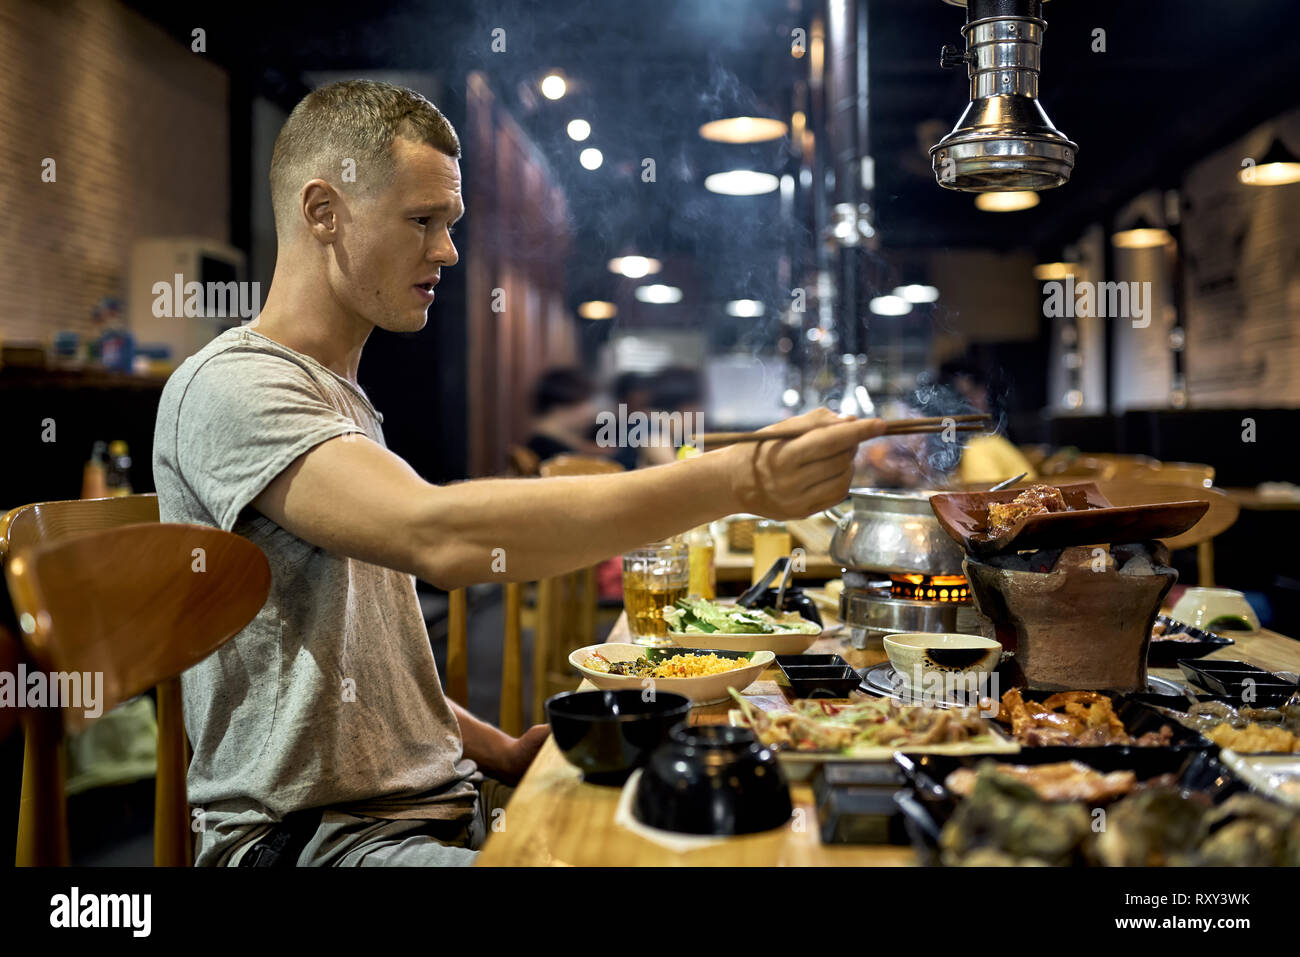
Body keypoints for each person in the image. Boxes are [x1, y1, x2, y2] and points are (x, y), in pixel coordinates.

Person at [152, 79, 884, 867]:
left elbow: (358, 671)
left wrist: (501, 750)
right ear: (323, 210)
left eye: (451, 223)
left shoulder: (342, 400)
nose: (448, 250)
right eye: (422, 221)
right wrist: (739, 480)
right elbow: (438, 535)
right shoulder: (231, 387)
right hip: (310, 845)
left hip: (425, 816)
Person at [522, 368, 607, 464]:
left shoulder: (555, 439)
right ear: (558, 408)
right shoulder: (544, 447)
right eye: (583, 403)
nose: (591, 410)